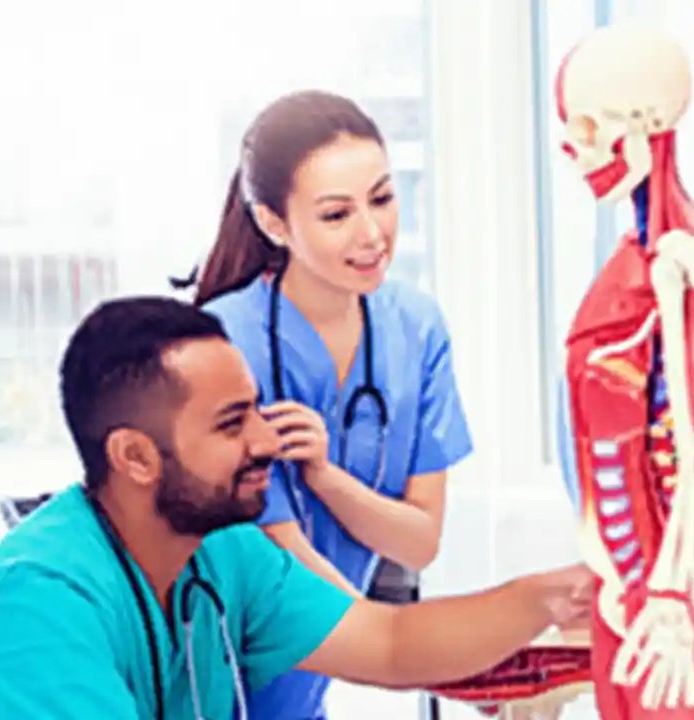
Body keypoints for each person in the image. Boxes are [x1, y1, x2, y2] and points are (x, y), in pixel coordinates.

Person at [0, 297, 593, 720]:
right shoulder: (45, 599)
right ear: (135, 457)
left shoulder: (222, 549)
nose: (265, 440)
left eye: (255, 408)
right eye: (230, 424)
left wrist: (547, 598)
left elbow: (392, 646)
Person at [174, 90, 471, 718]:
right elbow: (281, 549)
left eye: (383, 199)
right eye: (337, 215)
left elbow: (419, 542)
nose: (371, 234)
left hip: (310, 679)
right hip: (210, 671)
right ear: (274, 223)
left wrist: (326, 477)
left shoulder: (416, 328)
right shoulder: (223, 341)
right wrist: (402, 648)